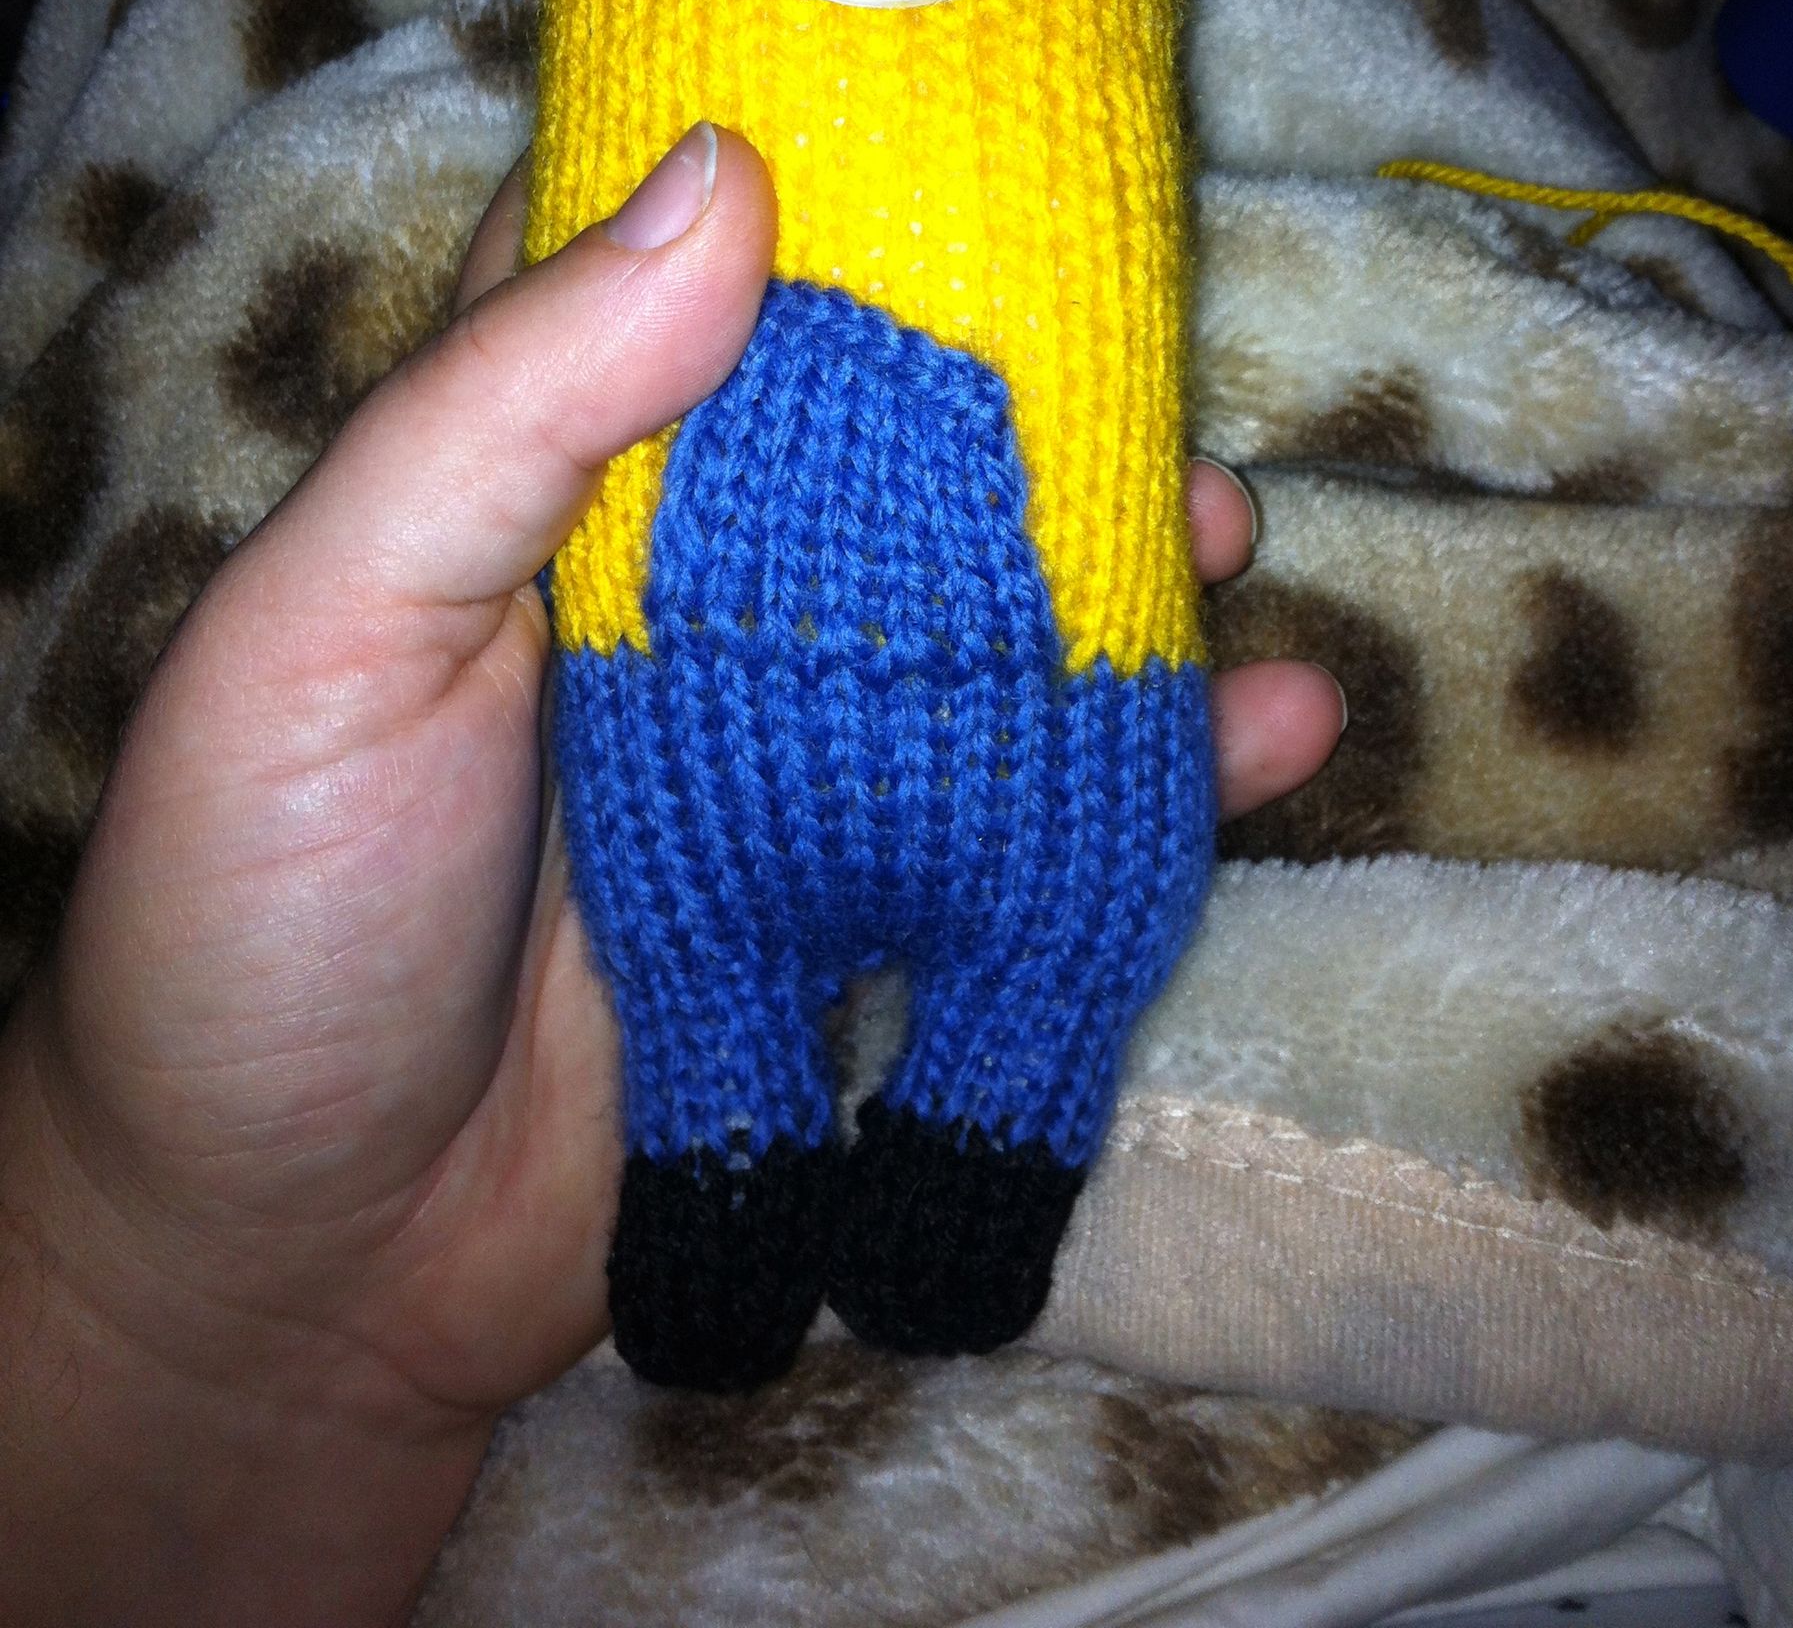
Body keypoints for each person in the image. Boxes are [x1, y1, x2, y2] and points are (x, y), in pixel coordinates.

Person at [0, 128, 1346, 1627]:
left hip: (771, 770)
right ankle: (773, 1176)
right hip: (775, 769)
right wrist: (158, 1288)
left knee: (908, 948)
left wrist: (158, 1299)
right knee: (905, 950)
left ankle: (814, 1172)